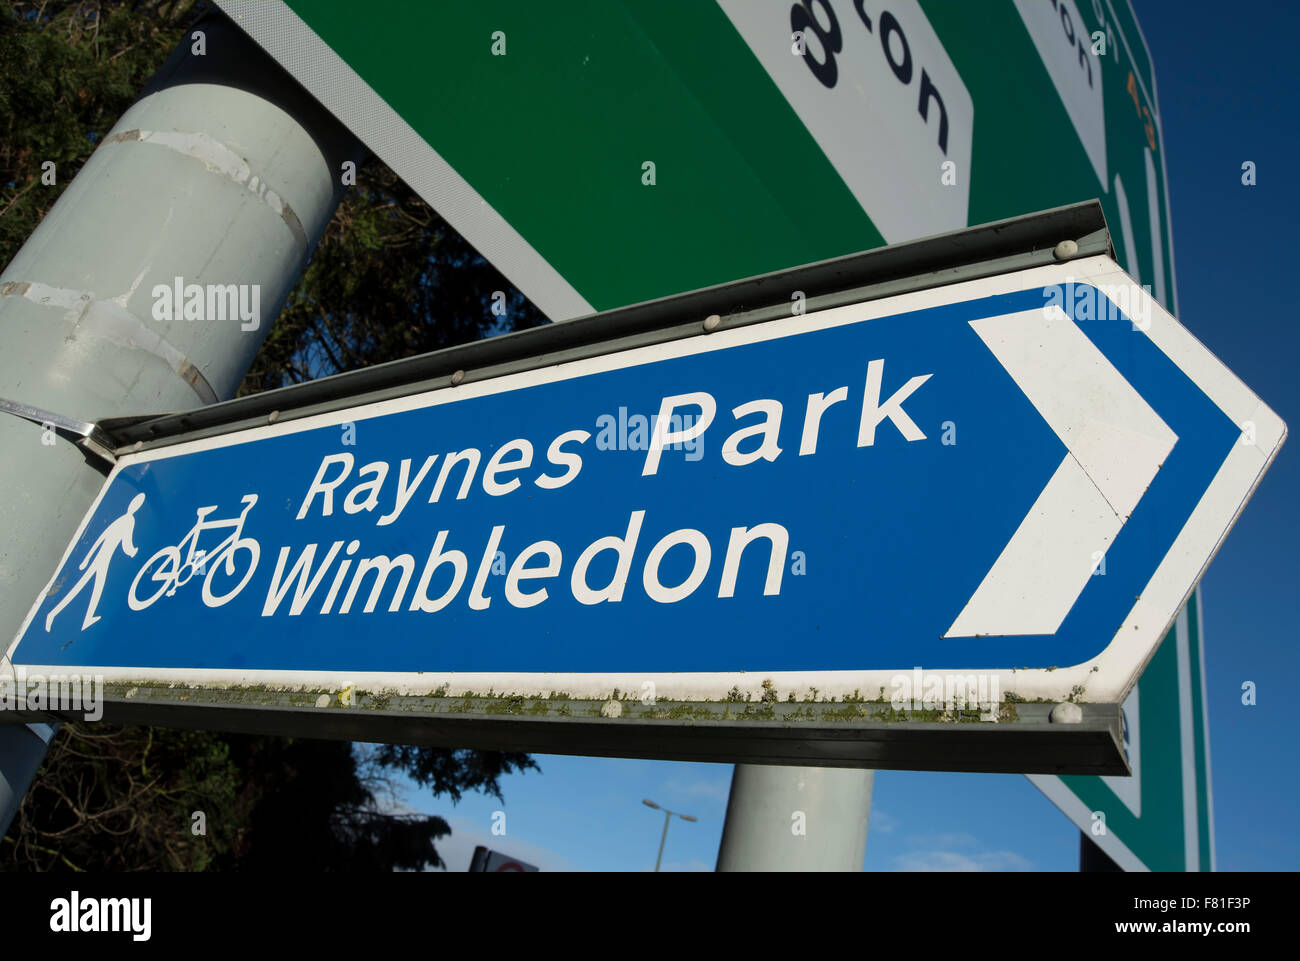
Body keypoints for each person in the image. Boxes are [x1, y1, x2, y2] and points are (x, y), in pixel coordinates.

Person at [44, 492, 146, 632]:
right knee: (87, 588)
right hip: (103, 559)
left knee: (91, 587)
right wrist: (132, 551)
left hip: (101, 558)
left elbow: (101, 540)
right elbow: (124, 543)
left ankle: (82, 618)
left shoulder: (122, 519)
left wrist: (86, 559)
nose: (135, 505)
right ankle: (53, 614)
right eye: (137, 503)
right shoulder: (128, 521)